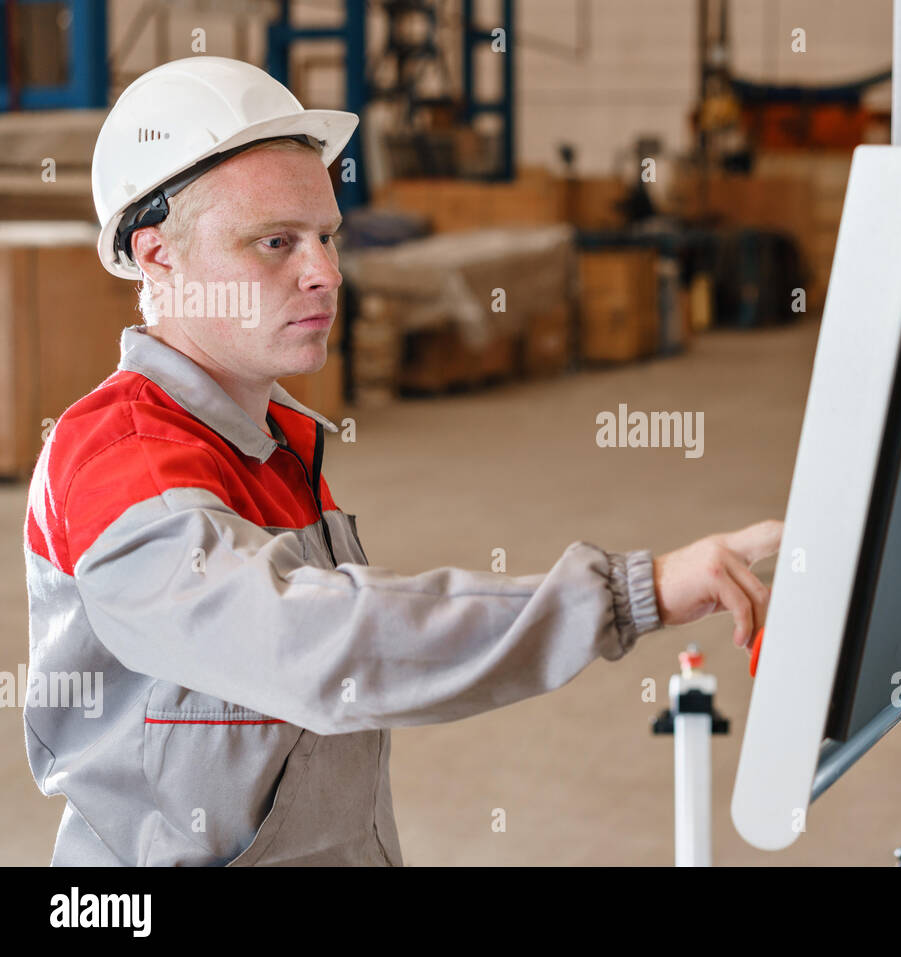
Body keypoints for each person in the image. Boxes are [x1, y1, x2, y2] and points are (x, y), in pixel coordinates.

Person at [22, 56, 781, 866]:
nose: (323, 273)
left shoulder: (269, 442)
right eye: (274, 242)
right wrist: (632, 594)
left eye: (325, 238)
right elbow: (320, 642)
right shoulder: (124, 458)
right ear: (157, 256)